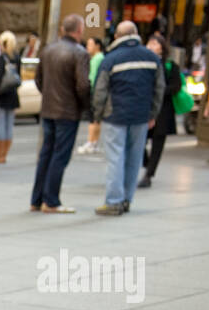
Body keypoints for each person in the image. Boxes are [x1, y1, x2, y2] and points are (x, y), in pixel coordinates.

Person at [92, 20, 163, 216]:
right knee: (134, 157)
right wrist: (153, 113)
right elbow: (159, 88)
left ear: (117, 36)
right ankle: (126, 199)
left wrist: (97, 114)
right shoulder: (152, 58)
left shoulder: (111, 59)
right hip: (141, 115)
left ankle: (113, 200)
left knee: (115, 157)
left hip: (115, 115)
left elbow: (100, 90)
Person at [30, 13, 89, 213]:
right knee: (59, 155)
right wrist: (84, 105)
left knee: (46, 153)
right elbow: (82, 85)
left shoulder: (48, 50)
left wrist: (47, 95)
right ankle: (51, 200)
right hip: (67, 111)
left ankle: (37, 199)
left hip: (49, 109)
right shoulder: (79, 53)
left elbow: (38, 80)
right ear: (79, 30)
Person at [139, 33, 181, 188]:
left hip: (164, 110)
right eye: (149, 42)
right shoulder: (143, 63)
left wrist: (158, 91)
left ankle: (149, 174)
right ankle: (147, 163)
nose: (151, 45)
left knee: (158, 142)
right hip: (146, 107)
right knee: (140, 139)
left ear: (163, 48)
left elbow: (176, 86)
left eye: (155, 43)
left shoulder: (170, 65)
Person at [0, 30, 20, 163]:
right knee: (9, 126)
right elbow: (19, 79)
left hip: (1, 96)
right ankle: (4, 155)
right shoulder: (17, 58)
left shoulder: (3, 58)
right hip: (13, 95)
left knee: (1, 126)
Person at [76, 36, 105, 154]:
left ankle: (91, 141)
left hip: (94, 91)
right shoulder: (98, 58)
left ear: (97, 46)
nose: (88, 47)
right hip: (97, 90)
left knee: (93, 118)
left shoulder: (97, 58)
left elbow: (92, 76)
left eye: (90, 44)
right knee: (95, 119)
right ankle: (93, 142)